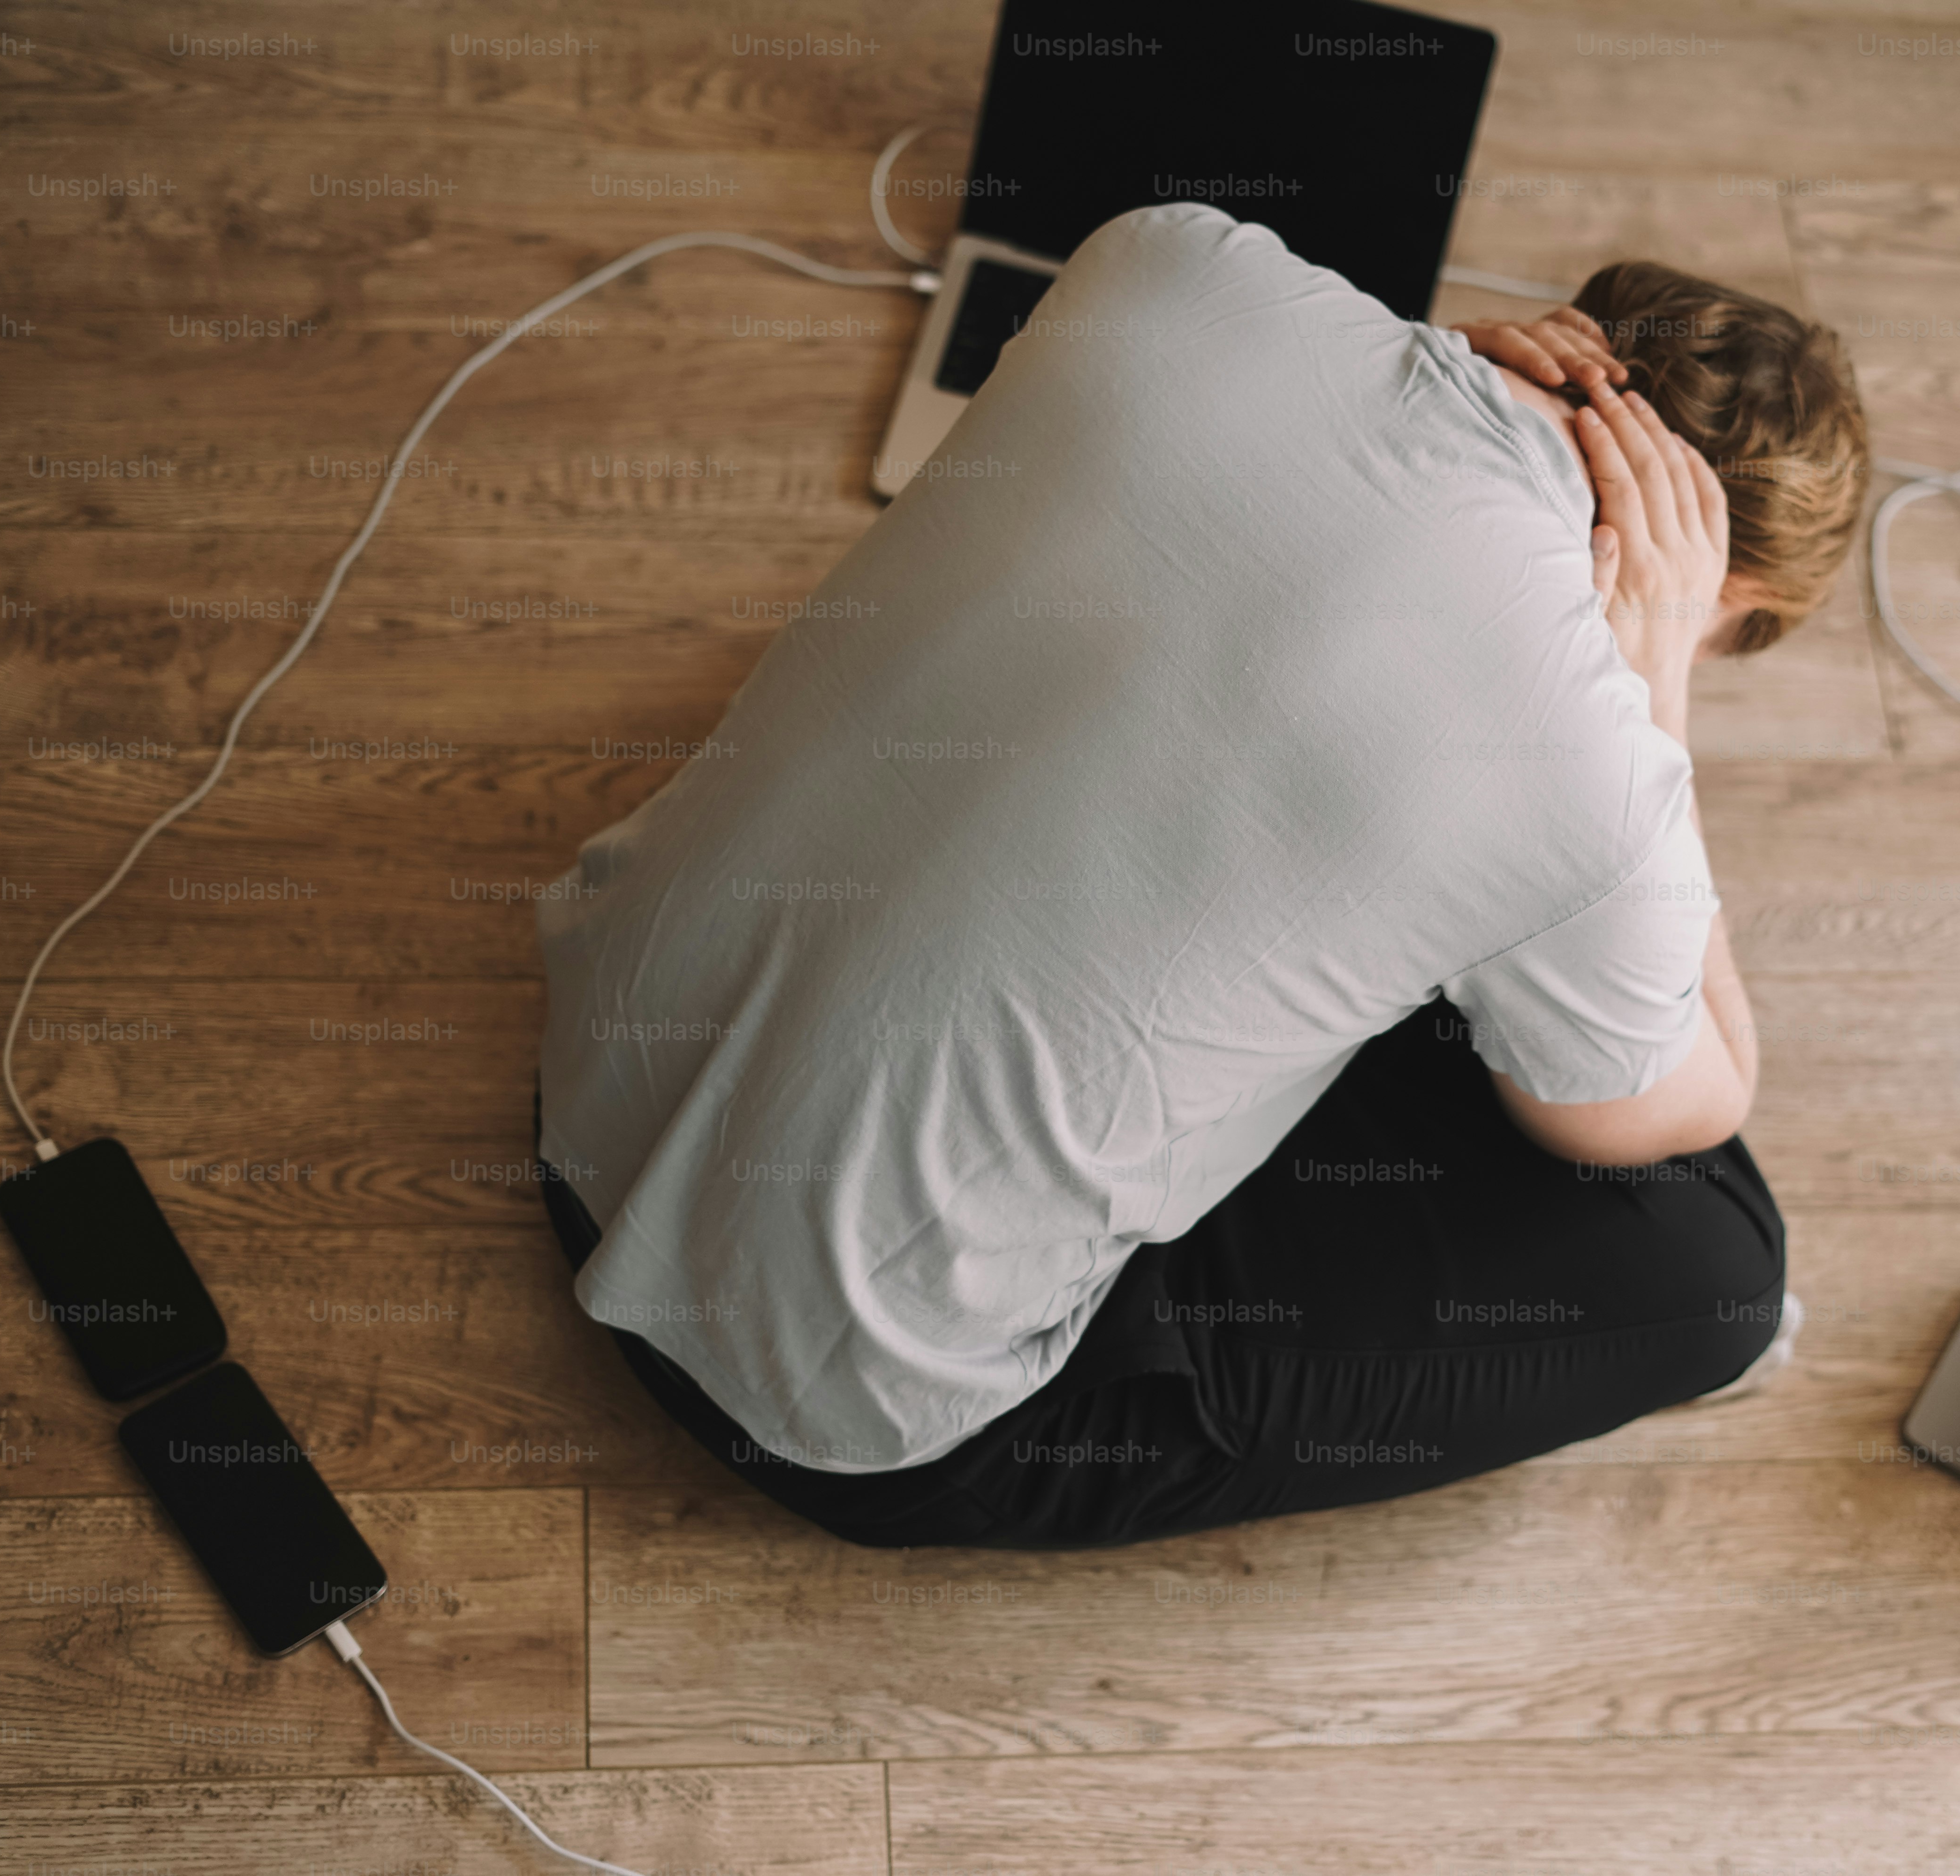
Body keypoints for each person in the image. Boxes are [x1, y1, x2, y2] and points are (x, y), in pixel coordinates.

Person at [533, 202, 1869, 1549]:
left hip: (589, 1104)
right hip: (835, 1400)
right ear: (1717, 581)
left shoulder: (1168, 260)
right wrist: (1659, 701)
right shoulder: (1596, 770)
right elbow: (1692, 1100)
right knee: (1720, 1259)